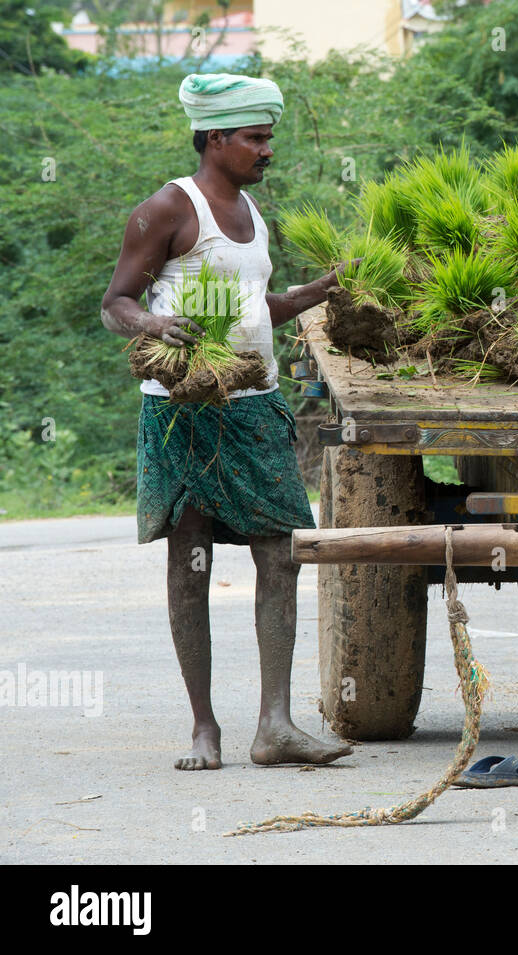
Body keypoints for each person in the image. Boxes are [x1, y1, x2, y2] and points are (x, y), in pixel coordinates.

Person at [101, 73, 352, 770]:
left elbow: (255, 306)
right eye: (257, 138)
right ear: (216, 138)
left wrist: (317, 291)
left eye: (269, 137)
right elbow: (115, 300)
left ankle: (275, 723)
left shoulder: (249, 210)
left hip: (257, 406)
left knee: (282, 554)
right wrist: (153, 320)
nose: (268, 150)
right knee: (191, 562)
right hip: (183, 414)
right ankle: (203, 727)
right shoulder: (169, 207)